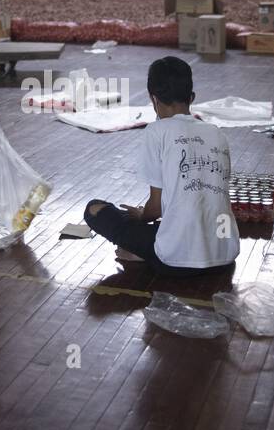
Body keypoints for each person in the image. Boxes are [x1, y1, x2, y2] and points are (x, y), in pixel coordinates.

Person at [83, 56, 240, 275]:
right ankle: (148, 249)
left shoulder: (156, 132)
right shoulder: (217, 133)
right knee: (181, 222)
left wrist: (141, 215)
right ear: (191, 97)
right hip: (224, 253)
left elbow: (155, 209)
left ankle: (146, 253)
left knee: (94, 209)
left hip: (177, 262)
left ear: (153, 99)